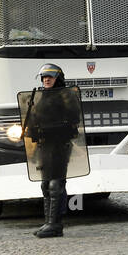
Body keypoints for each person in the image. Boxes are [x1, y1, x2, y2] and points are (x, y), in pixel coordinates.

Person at [23, 63, 82, 238]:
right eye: (44, 77)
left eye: (50, 77)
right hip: (45, 144)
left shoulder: (66, 95)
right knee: (45, 184)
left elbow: (73, 118)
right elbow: (36, 117)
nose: (46, 79)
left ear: (58, 79)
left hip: (59, 144)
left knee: (56, 184)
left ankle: (55, 224)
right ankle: (49, 222)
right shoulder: (41, 96)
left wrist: (54, 127)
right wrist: (31, 129)